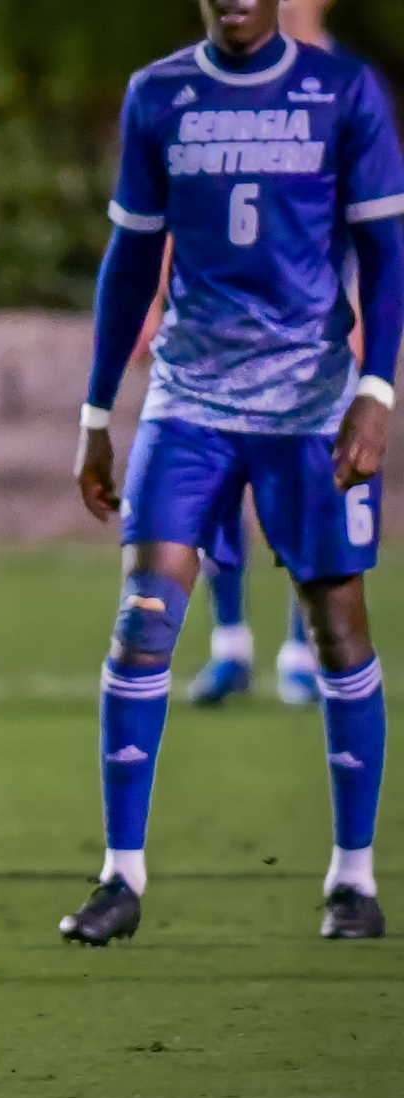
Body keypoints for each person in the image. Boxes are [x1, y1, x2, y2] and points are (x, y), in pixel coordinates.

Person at [65, 0, 404, 945]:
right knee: (144, 618)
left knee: (339, 629)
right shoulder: (159, 93)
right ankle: (119, 876)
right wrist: (97, 414)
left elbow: (387, 249)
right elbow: (130, 258)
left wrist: (377, 388)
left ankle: (352, 880)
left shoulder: (342, 90)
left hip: (311, 403)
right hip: (191, 402)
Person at [178, 0, 349, 707]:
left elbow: (367, 212)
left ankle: (303, 651)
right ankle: (230, 646)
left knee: (307, 485)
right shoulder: (220, 73)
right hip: (220, 319)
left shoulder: (345, 83)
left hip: (312, 322)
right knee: (219, 481)